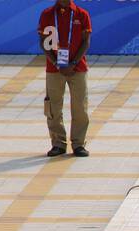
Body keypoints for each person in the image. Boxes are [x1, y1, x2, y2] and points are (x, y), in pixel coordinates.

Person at [38, 0, 92, 158]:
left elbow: (86, 41)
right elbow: (43, 42)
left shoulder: (82, 14)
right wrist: (56, 63)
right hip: (54, 68)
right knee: (53, 106)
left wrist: (73, 63)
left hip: (78, 67)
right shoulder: (47, 14)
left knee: (80, 106)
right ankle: (58, 144)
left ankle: (78, 144)